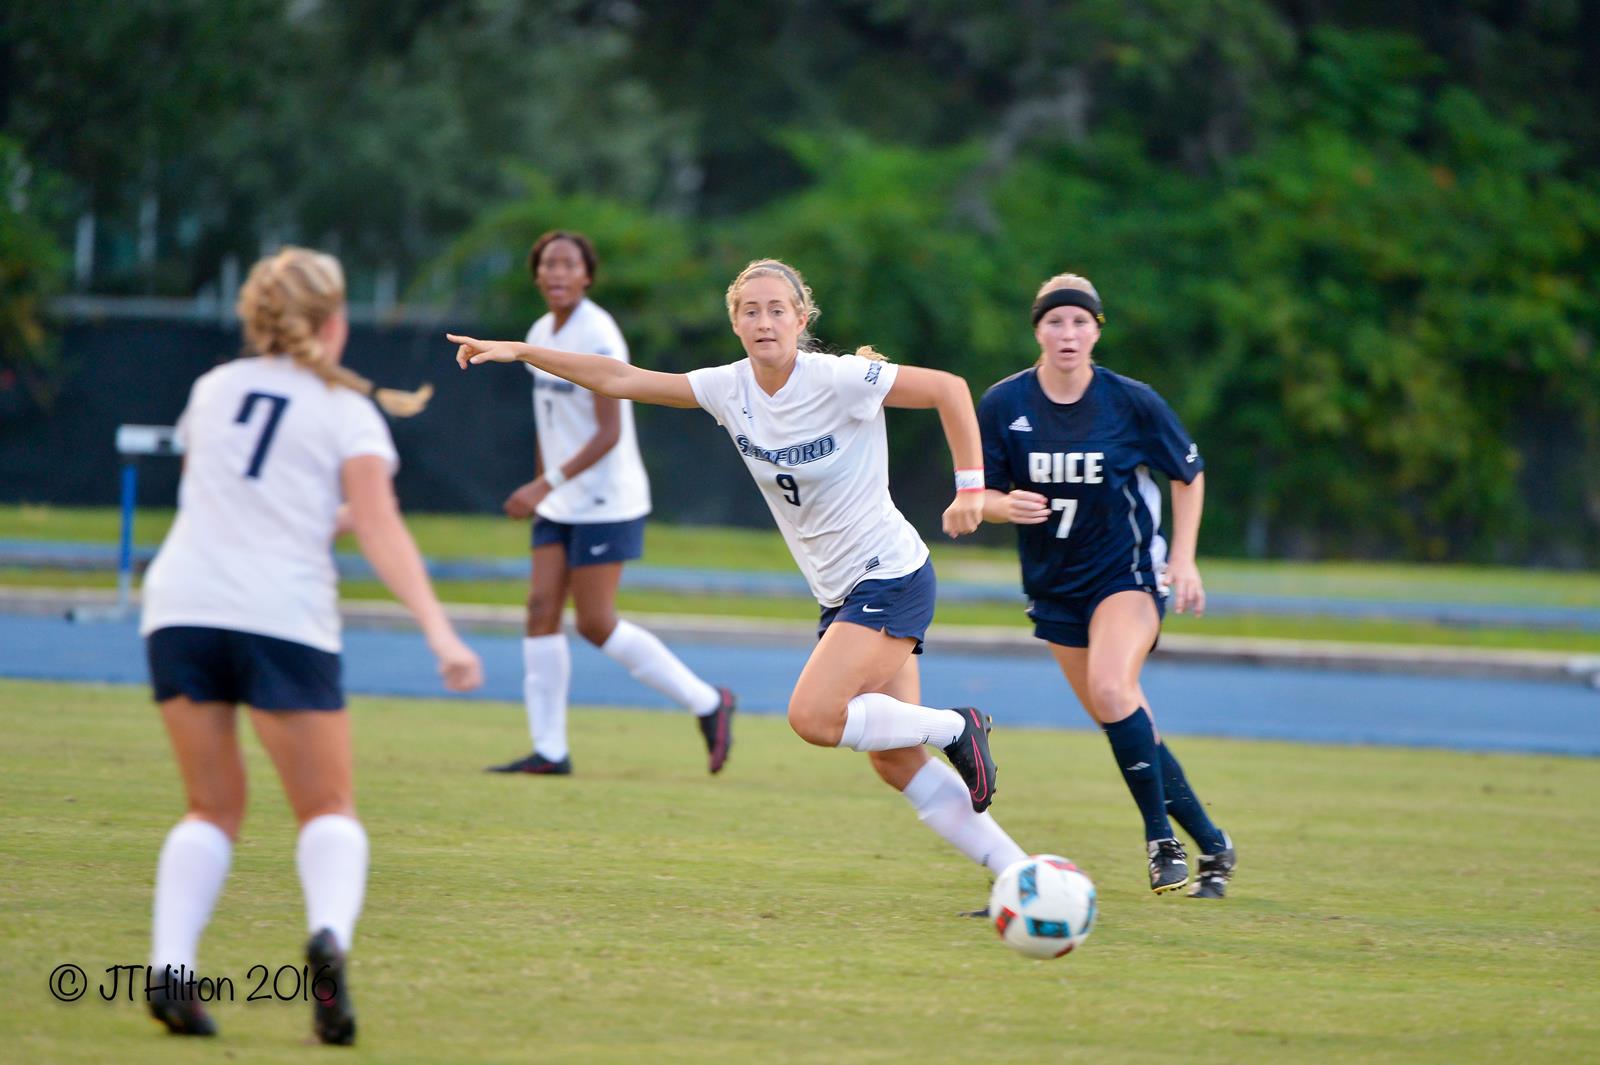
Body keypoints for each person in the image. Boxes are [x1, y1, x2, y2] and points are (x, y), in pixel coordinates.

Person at [451, 258, 1030, 884]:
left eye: (777, 310)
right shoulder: (728, 388)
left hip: (890, 574)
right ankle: (1019, 875)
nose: (764, 321)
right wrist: (521, 351)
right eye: (750, 311)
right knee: (894, 759)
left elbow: (948, 388)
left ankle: (957, 725)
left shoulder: (839, 378)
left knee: (814, 717)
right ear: (735, 323)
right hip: (841, 590)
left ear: (801, 320)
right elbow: (619, 378)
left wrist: (971, 489)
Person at [138, 247, 484, 1042]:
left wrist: (317, 516)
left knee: (210, 806)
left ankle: (171, 969)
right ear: (333, 322)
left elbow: (232, 499)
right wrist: (440, 631)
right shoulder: (346, 410)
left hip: (182, 606)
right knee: (327, 807)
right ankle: (328, 936)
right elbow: (380, 526)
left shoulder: (214, 388)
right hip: (281, 614)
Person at [977, 272, 1236, 898]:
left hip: (1127, 574)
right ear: (1038, 331)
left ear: (1097, 332)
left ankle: (1161, 841)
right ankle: (1214, 845)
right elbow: (977, 494)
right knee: (1119, 713)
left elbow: (1189, 474)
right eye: (1055, 322)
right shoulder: (1005, 404)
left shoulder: (1130, 402)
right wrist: (1002, 506)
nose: (1068, 333)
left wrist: (1185, 559)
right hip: (1054, 585)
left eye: (1080, 322)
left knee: (1113, 687)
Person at [486, 230, 735, 778]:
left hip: (605, 498)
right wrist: (544, 487)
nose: (557, 273)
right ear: (536, 274)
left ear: (587, 276)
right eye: (548, 263)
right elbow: (550, 424)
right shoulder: (539, 333)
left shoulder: (598, 334)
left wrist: (543, 485)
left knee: (596, 623)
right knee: (539, 610)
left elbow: (608, 433)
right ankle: (549, 751)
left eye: (568, 264)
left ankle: (708, 702)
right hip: (559, 498)